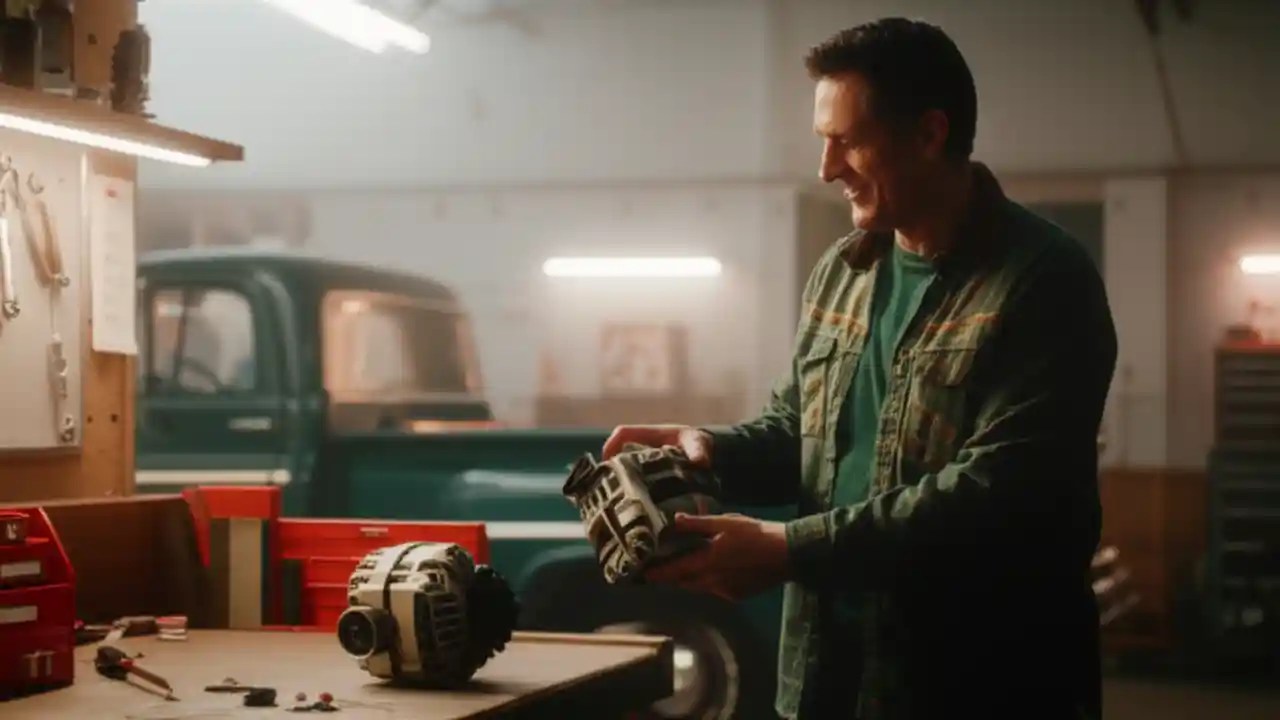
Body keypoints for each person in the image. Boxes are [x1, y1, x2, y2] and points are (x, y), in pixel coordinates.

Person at [602, 17, 1118, 720]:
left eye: (847, 141)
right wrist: (710, 451)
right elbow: (802, 432)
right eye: (823, 142)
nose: (826, 168)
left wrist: (791, 550)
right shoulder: (842, 273)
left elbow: (1001, 495)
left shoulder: (1042, 279)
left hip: (980, 685)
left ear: (930, 134)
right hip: (825, 681)